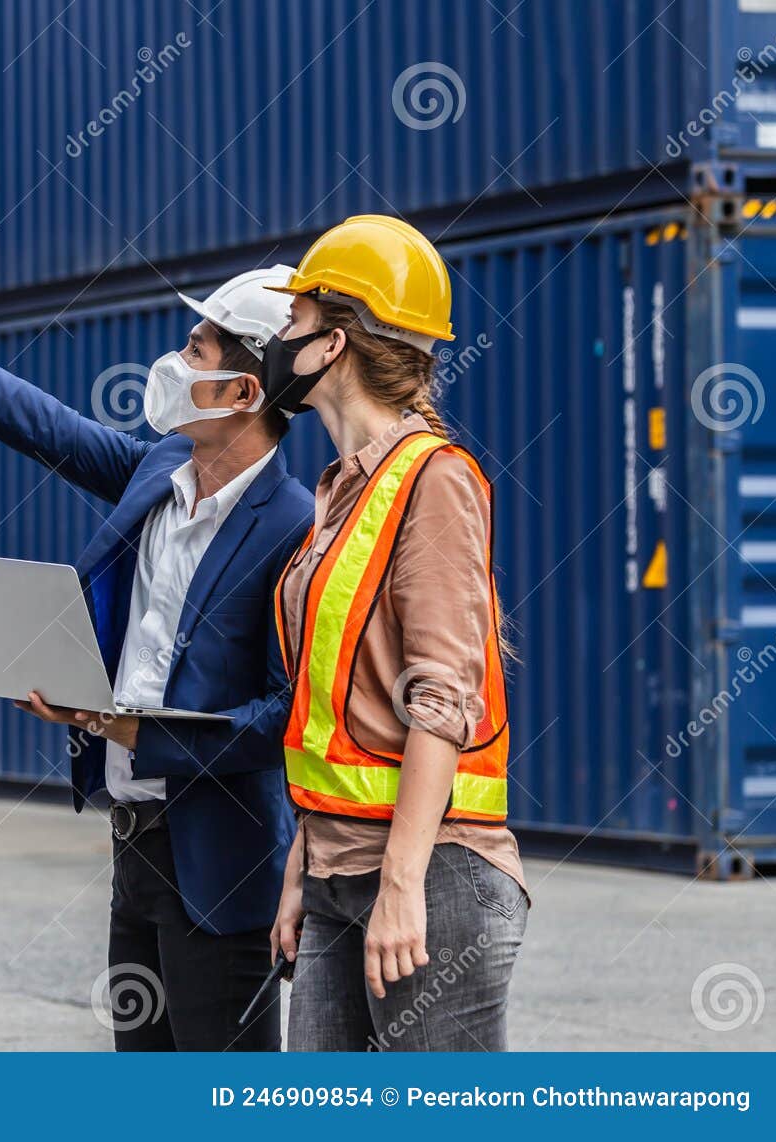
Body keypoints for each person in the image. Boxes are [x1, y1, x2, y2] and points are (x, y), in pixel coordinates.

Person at [0, 263, 313, 1051]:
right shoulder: (156, 471)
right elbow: (30, 417)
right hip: (134, 843)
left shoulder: (296, 525)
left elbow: (286, 714)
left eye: (196, 348)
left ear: (243, 392)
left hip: (220, 866)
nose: (175, 362)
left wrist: (139, 732)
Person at [254, 215, 528, 1051]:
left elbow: (442, 699)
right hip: (338, 870)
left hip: (433, 872)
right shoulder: (335, 492)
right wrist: (305, 867)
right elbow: (331, 706)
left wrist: (402, 882)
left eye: (293, 324)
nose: (279, 342)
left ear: (334, 344)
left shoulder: (435, 480)